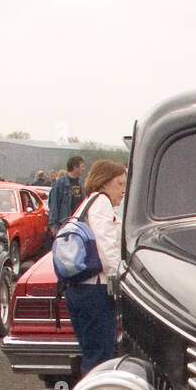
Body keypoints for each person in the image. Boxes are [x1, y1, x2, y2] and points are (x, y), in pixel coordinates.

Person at [62, 160, 126, 375]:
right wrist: (117, 280)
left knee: (90, 352)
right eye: (119, 184)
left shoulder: (87, 202)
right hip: (95, 289)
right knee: (101, 356)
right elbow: (105, 244)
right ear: (104, 183)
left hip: (78, 289)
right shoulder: (102, 202)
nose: (123, 190)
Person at [48, 155, 85, 236]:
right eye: (82, 166)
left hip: (79, 225)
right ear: (75, 167)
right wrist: (54, 225)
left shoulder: (82, 183)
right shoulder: (60, 184)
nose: (83, 169)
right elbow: (54, 205)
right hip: (64, 225)